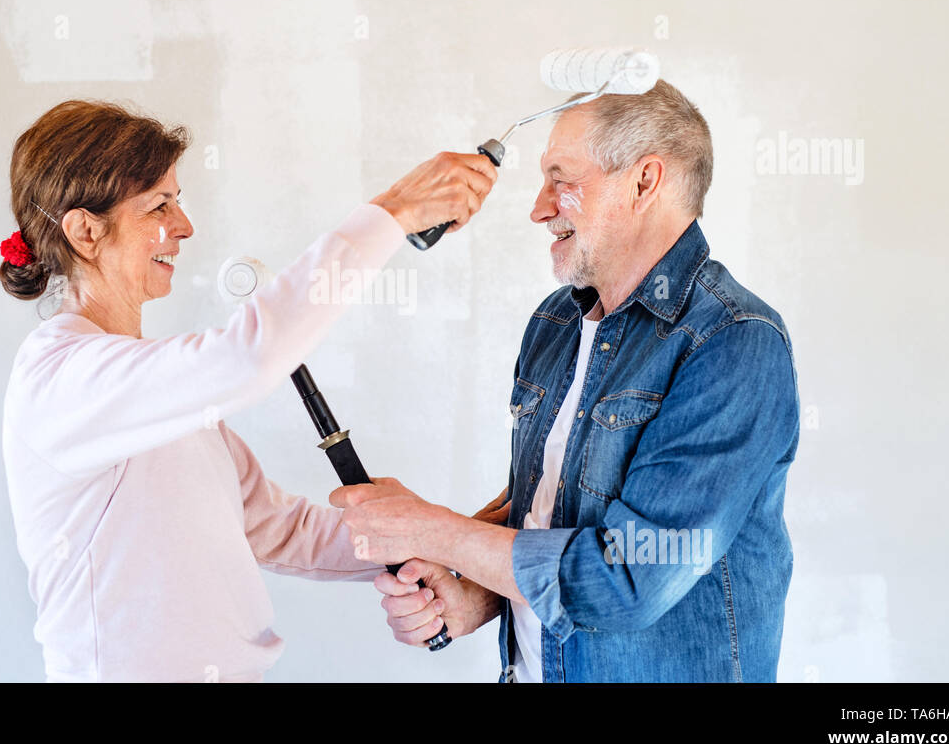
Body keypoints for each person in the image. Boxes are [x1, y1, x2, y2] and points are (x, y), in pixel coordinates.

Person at [0, 99, 495, 681]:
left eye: (178, 201)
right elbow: (250, 356)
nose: (183, 226)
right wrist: (393, 213)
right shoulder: (62, 378)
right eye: (159, 205)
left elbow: (283, 531)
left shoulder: (150, 390)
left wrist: (432, 539)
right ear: (86, 230)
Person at [332, 79, 800, 682]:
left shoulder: (733, 340)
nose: (539, 206)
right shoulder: (556, 324)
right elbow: (548, 512)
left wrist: (433, 531)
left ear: (644, 181)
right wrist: (474, 589)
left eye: (562, 179)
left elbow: (629, 577)